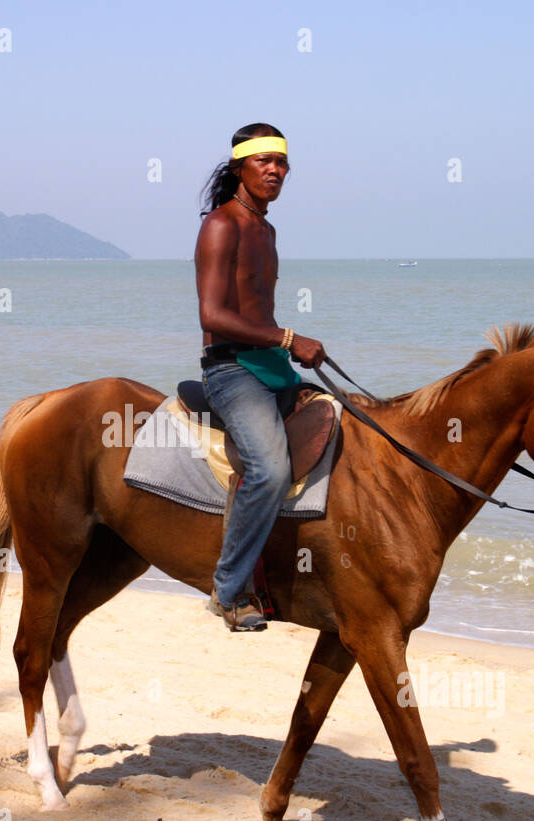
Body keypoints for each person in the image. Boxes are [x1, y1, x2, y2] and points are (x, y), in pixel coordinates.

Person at [195, 123, 325, 631]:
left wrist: (289, 356)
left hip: (272, 367)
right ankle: (228, 592)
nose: (275, 170)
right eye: (263, 161)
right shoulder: (221, 224)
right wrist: (291, 340)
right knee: (270, 470)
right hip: (230, 370)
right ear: (238, 168)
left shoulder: (266, 229)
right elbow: (212, 315)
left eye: (282, 162)